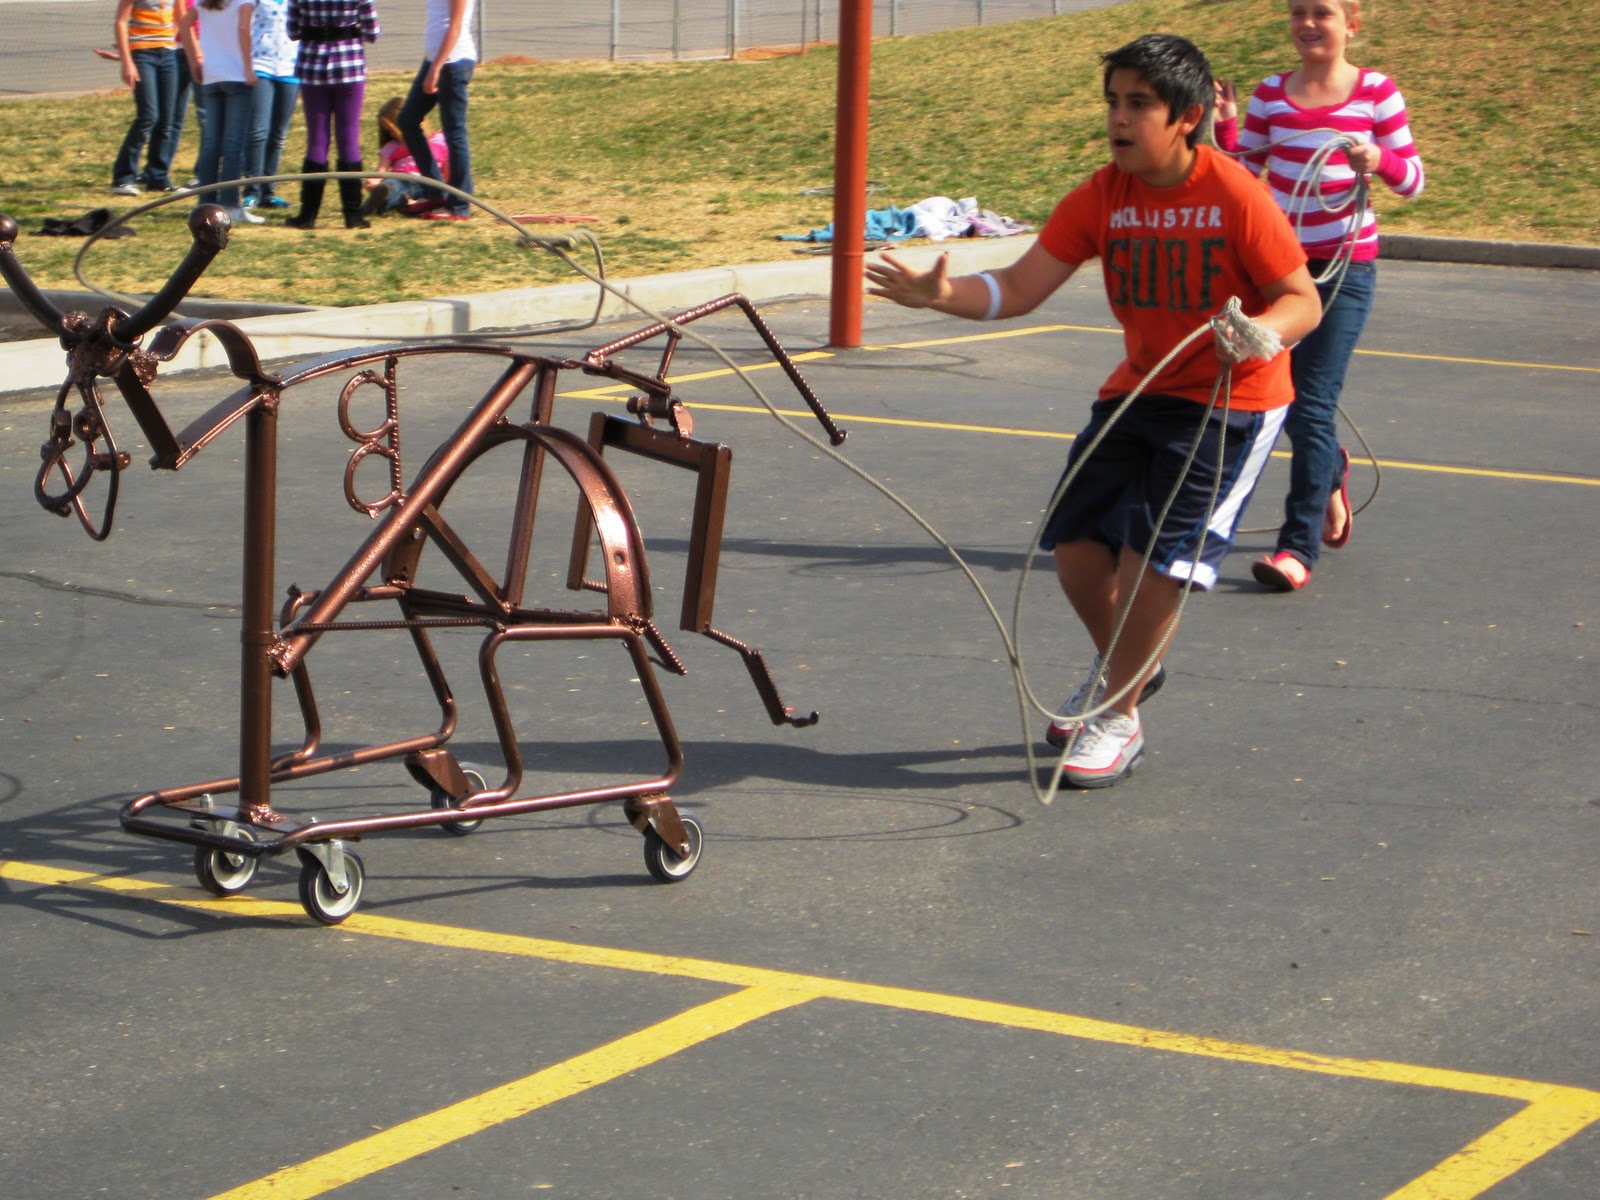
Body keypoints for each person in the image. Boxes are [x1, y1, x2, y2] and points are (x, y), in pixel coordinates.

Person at [865, 33, 1320, 788]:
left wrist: (1264, 333)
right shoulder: (1100, 196)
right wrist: (942, 294)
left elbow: (1302, 300)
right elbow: (1017, 287)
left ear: (1188, 117)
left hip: (1228, 403)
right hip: (1140, 392)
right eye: (1113, 101)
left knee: (1152, 566)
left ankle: (1119, 709)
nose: (1118, 118)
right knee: (1077, 550)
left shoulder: (1235, 194)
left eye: (1139, 103)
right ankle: (1130, 670)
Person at [1213, 0, 1424, 592]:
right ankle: (1330, 470)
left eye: (1323, 12)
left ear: (1351, 24)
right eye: (1299, 11)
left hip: (1346, 269)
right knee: (1274, 396)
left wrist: (1377, 158)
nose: (1309, 23)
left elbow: (1413, 179)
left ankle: (1296, 549)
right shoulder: (1272, 93)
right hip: (1280, 273)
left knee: (1309, 406)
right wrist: (1227, 124)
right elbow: (1240, 172)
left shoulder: (1377, 92)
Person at [285, 0, 381, 229]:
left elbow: (293, 31)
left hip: (312, 64)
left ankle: (308, 214)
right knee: (349, 138)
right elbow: (373, 33)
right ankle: (352, 214)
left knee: (317, 141)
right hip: (349, 64)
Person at [396, 0, 476, 222]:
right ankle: (435, 191)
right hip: (435, 60)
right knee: (407, 121)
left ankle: (459, 205)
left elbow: (455, 26)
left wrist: (436, 68)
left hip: (452, 63)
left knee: (454, 132)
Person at [179, 0, 259, 223]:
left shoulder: (205, 2)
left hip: (212, 74)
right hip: (236, 75)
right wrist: (248, 67)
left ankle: (205, 203)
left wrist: (195, 58)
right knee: (233, 144)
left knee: (211, 143)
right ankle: (230, 205)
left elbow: (184, 24)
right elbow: (243, 28)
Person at [110, 0, 181, 196]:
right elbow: (121, 21)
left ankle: (157, 176)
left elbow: (179, 15)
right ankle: (123, 177)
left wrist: (169, 38)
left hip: (168, 53)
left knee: (167, 119)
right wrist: (127, 62)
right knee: (148, 116)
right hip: (142, 54)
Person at [242, 0, 299, 209]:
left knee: (278, 135)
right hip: (261, 64)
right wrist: (246, 66)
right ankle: (251, 190)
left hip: (290, 67)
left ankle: (268, 190)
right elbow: (244, 25)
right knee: (258, 131)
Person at [360, 97, 450, 216]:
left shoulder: (439, 140)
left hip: (431, 182)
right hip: (401, 180)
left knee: (441, 194)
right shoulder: (391, 146)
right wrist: (374, 182)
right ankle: (378, 202)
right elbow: (381, 170)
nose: (391, 134)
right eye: (388, 131)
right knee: (391, 187)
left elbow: (447, 167)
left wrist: (450, 185)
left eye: (393, 130)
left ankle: (409, 203)